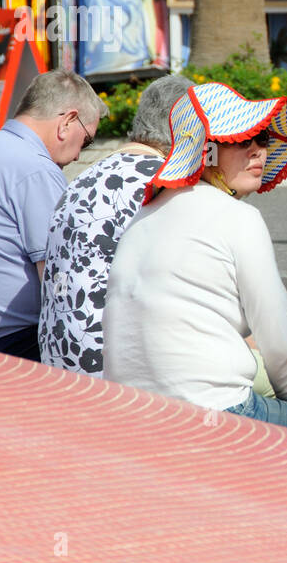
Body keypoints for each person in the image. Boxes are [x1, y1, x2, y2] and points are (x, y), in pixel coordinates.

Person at [103, 83, 287, 455]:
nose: (259, 151)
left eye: (263, 139)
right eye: (243, 140)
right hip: (213, 412)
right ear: (206, 153)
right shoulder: (238, 217)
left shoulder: (144, 216)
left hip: (132, 413)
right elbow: (281, 341)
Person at [0, 70, 105, 360]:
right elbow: (62, 278)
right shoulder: (35, 168)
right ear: (67, 122)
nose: (77, 156)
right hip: (11, 345)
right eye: (86, 141)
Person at [39, 73, 192, 377]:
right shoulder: (164, 185)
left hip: (57, 361)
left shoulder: (85, 178)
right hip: (111, 371)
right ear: (187, 133)